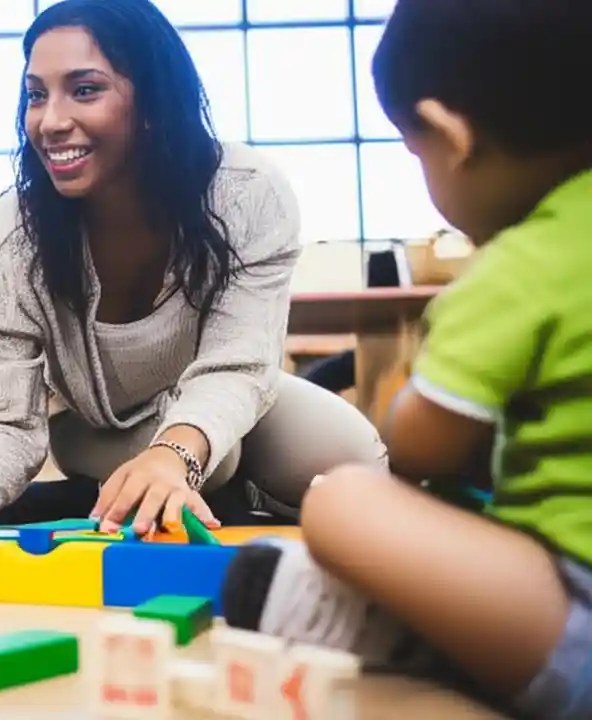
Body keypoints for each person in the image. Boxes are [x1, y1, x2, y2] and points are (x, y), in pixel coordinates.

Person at [219, 1, 592, 717]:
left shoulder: (520, 266)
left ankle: (407, 634)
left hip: (568, 619)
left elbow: (421, 446)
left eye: (414, 151)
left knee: (344, 498)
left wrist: (406, 399)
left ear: (452, 138)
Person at [0, 0, 386, 534]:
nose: (51, 121)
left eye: (85, 90)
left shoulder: (247, 193)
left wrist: (176, 452)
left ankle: (188, 487)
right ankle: (186, 487)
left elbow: (239, 365)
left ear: (152, 102)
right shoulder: (7, 244)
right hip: (95, 430)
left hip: (220, 398)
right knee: (218, 464)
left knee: (357, 461)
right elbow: (5, 421)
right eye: (37, 95)